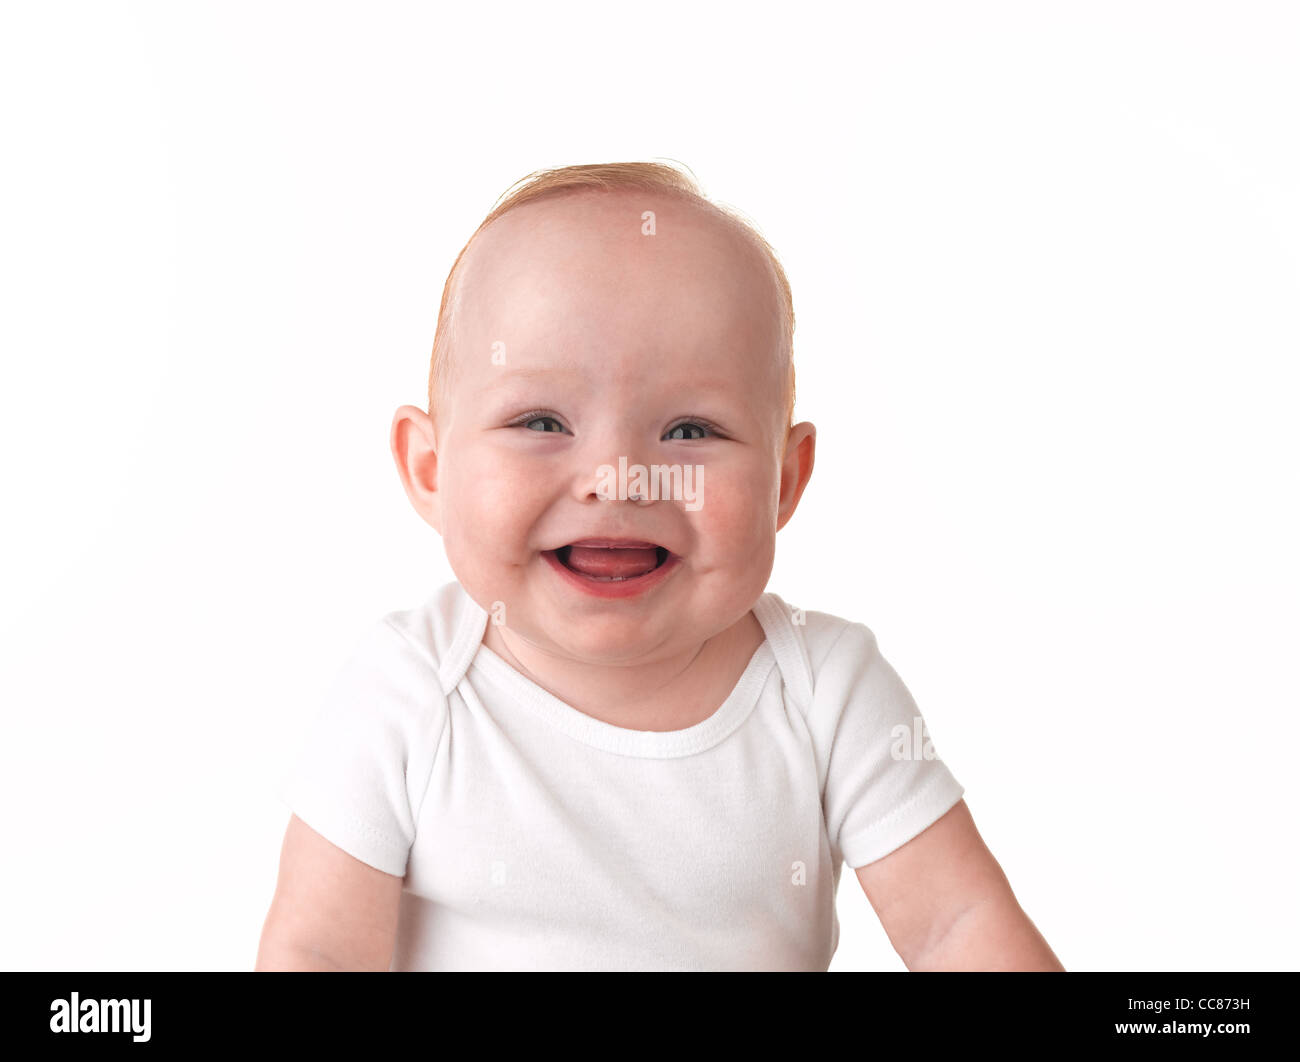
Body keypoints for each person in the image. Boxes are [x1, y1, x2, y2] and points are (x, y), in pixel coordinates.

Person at [255, 161, 1063, 971]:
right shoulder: (408, 694)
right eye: (541, 420)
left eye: (689, 432)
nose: (618, 476)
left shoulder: (825, 691)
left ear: (783, 481)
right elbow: (319, 953)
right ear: (431, 470)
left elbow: (957, 926)